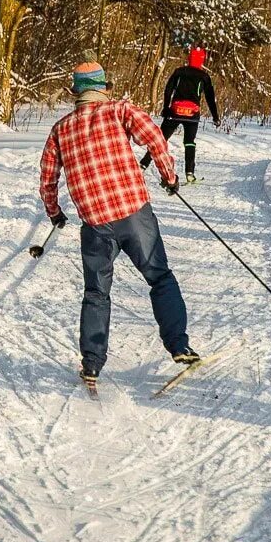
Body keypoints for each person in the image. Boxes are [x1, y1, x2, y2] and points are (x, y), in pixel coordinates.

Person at [40, 61, 199, 386]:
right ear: (103, 88)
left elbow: (47, 178)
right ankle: (180, 346)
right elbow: (155, 138)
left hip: (96, 224)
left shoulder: (61, 129)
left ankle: (92, 365)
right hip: (134, 214)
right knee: (160, 278)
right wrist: (169, 177)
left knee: (96, 293)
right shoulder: (119, 111)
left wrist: (55, 213)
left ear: (76, 93)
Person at [141, 45, 220, 183]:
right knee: (189, 142)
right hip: (192, 115)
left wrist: (166, 107)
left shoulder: (179, 72)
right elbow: (210, 98)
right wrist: (215, 116)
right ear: (202, 60)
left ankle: (143, 164)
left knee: (160, 140)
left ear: (189, 58)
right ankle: (190, 173)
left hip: (174, 112)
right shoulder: (204, 77)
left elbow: (168, 89)